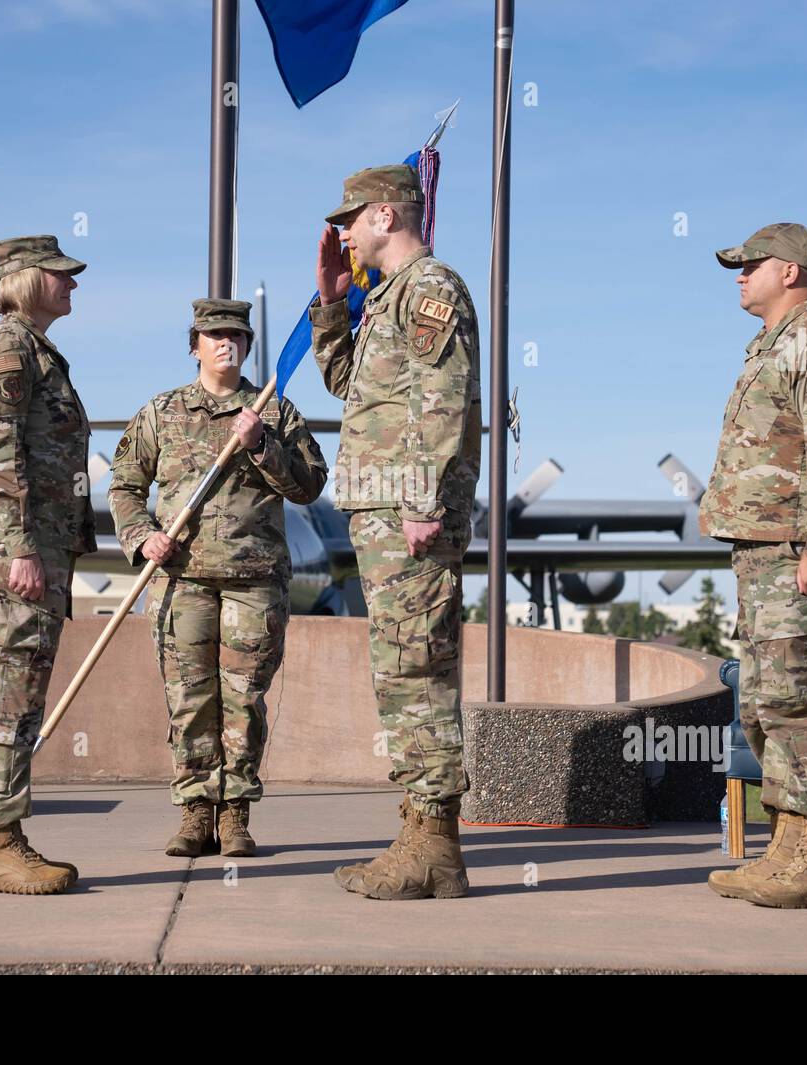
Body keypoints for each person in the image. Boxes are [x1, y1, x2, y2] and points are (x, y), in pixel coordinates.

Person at [309, 164, 482, 899]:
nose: (343, 232)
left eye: (351, 218)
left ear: (386, 214)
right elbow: (346, 386)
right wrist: (330, 303)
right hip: (383, 517)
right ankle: (419, 833)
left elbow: (442, 397)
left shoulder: (430, 287)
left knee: (419, 671)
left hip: (408, 515)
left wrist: (419, 499)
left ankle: (435, 844)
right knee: (403, 675)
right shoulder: (383, 300)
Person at [108, 298, 327, 858]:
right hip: (182, 581)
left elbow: (308, 486)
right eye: (213, 335)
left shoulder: (276, 412)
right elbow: (125, 485)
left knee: (243, 701)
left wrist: (261, 444)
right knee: (189, 699)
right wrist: (141, 537)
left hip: (254, 582)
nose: (225, 343)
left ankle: (234, 815)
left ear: (249, 346)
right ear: (194, 346)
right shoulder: (162, 412)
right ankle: (194, 814)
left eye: (236, 334)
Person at [700, 223, 807, 908]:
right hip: (764, 554)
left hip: (800, 554)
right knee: (768, 705)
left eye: (751, 264)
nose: (740, 274)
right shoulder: (769, 346)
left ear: (791, 271)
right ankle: (787, 850)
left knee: (803, 701)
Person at [0, 234, 96, 895]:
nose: (72, 282)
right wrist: (19, 546)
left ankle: (5, 835)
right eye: (59, 274)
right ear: (21, 280)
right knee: (5, 699)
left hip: (38, 547)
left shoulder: (38, 350)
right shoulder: (8, 345)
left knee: (20, 698)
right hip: (17, 550)